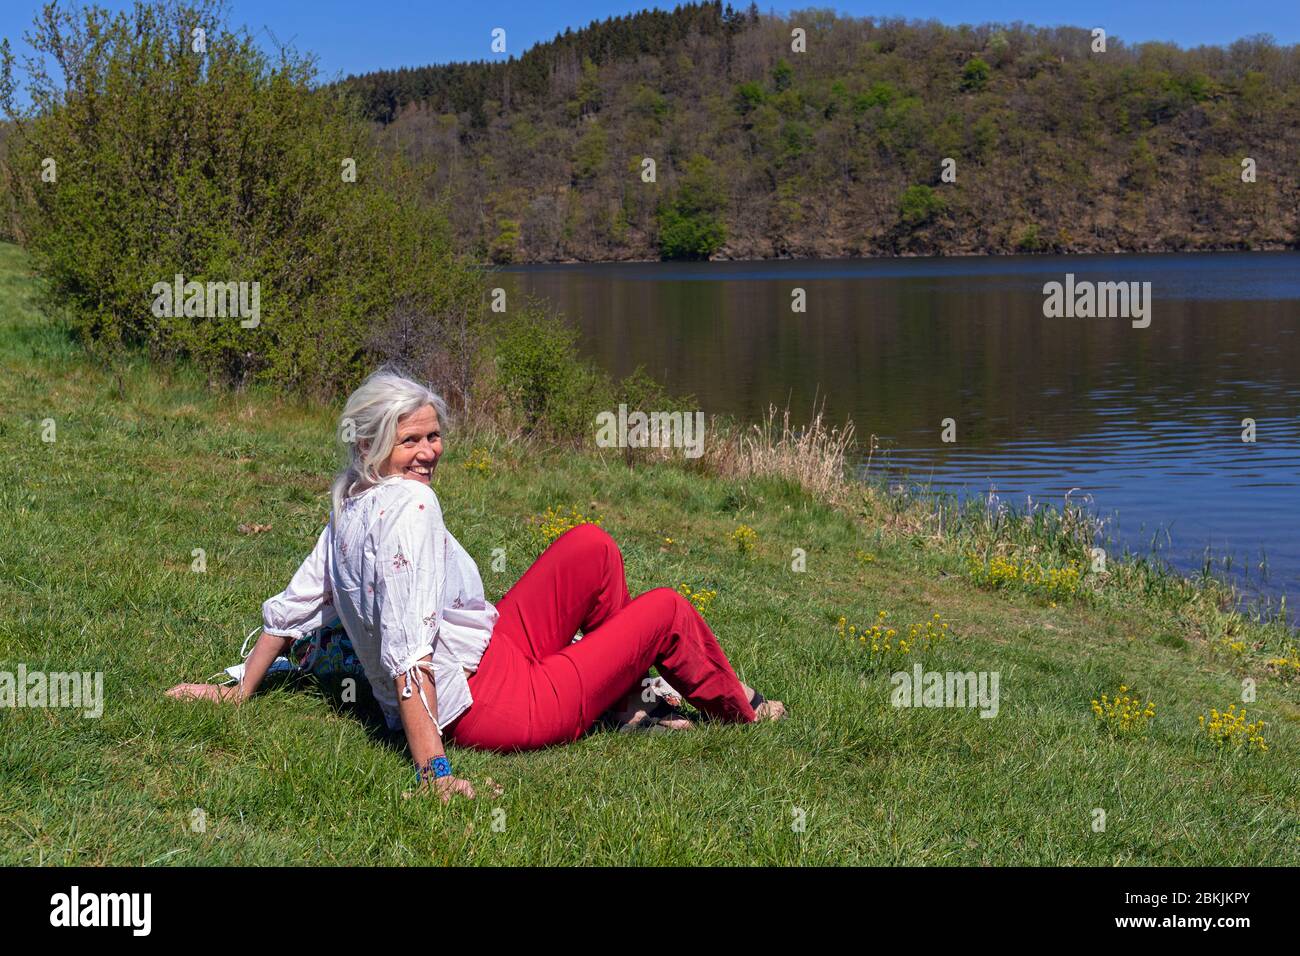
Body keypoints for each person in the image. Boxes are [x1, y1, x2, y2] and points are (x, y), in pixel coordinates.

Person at [167, 368, 785, 802]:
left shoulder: (351, 502)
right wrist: (435, 771)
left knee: (590, 546)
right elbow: (407, 652)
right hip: (497, 706)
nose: (428, 452)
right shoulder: (409, 509)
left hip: (487, 646)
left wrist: (241, 690)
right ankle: (740, 711)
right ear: (368, 444)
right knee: (667, 610)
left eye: (433, 436)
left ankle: (621, 703)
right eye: (409, 440)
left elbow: (294, 605)